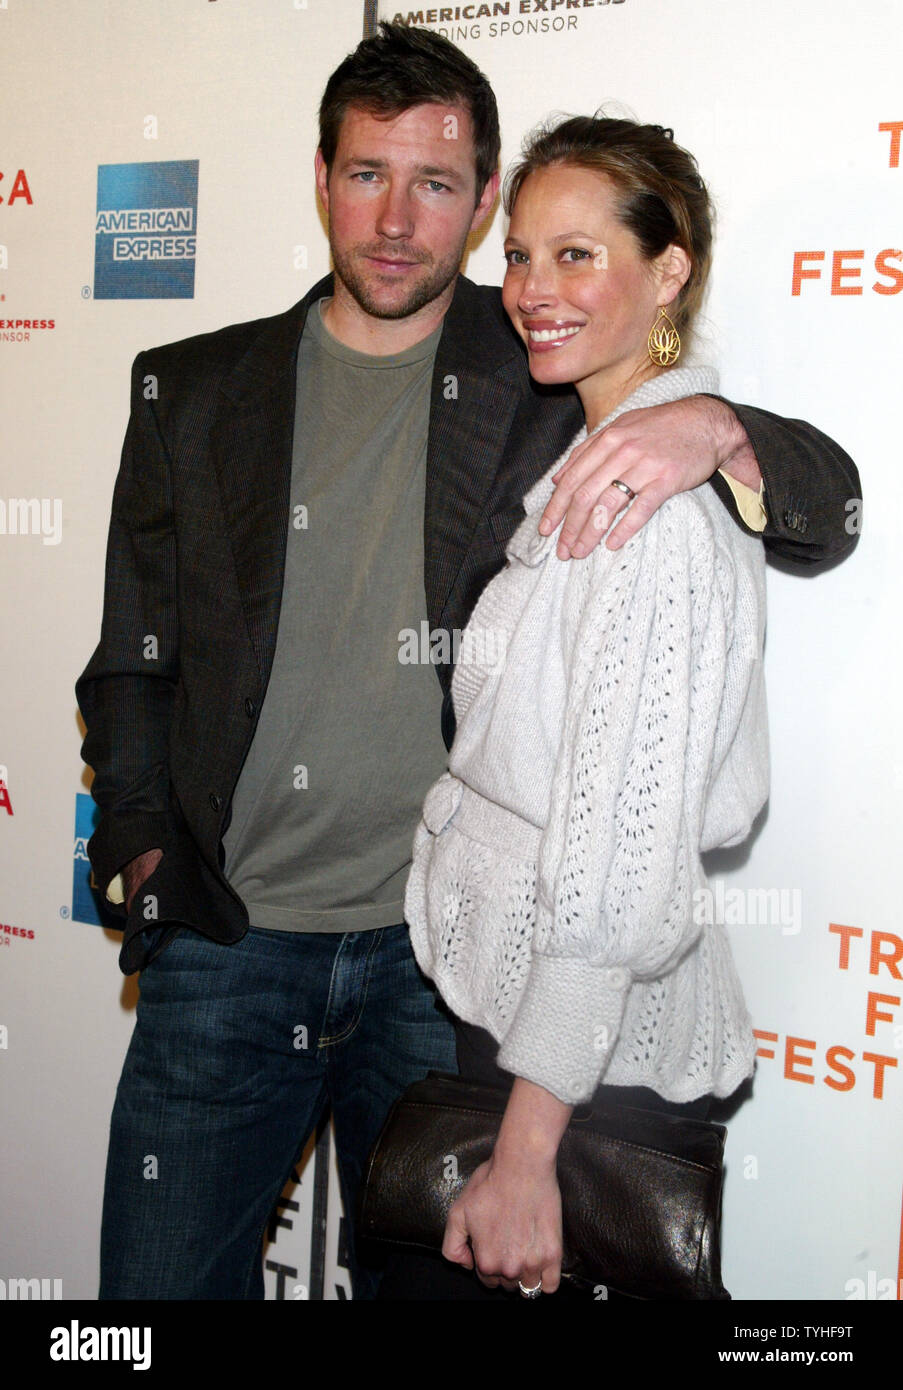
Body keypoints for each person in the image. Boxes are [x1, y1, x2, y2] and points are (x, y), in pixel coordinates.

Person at [75, 23, 859, 1301]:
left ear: (481, 198)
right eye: (367, 174)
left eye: (437, 184)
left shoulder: (545, 356)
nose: (396, 219)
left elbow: (828, 497)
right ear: (320, 177)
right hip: (227, 938)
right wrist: (144, 841)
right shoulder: (192, 388)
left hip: (434, 971)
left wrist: (718, 429)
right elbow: (132, 656)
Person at [400, 115, 785, 1301]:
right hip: (543, 1043)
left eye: (578, 255)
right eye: (519, 254)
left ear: (668, 272)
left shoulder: (653, 515)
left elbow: (618, 880)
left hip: (581, 1076)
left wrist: (525, 1156)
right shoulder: (604, 455)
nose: (532, 288)